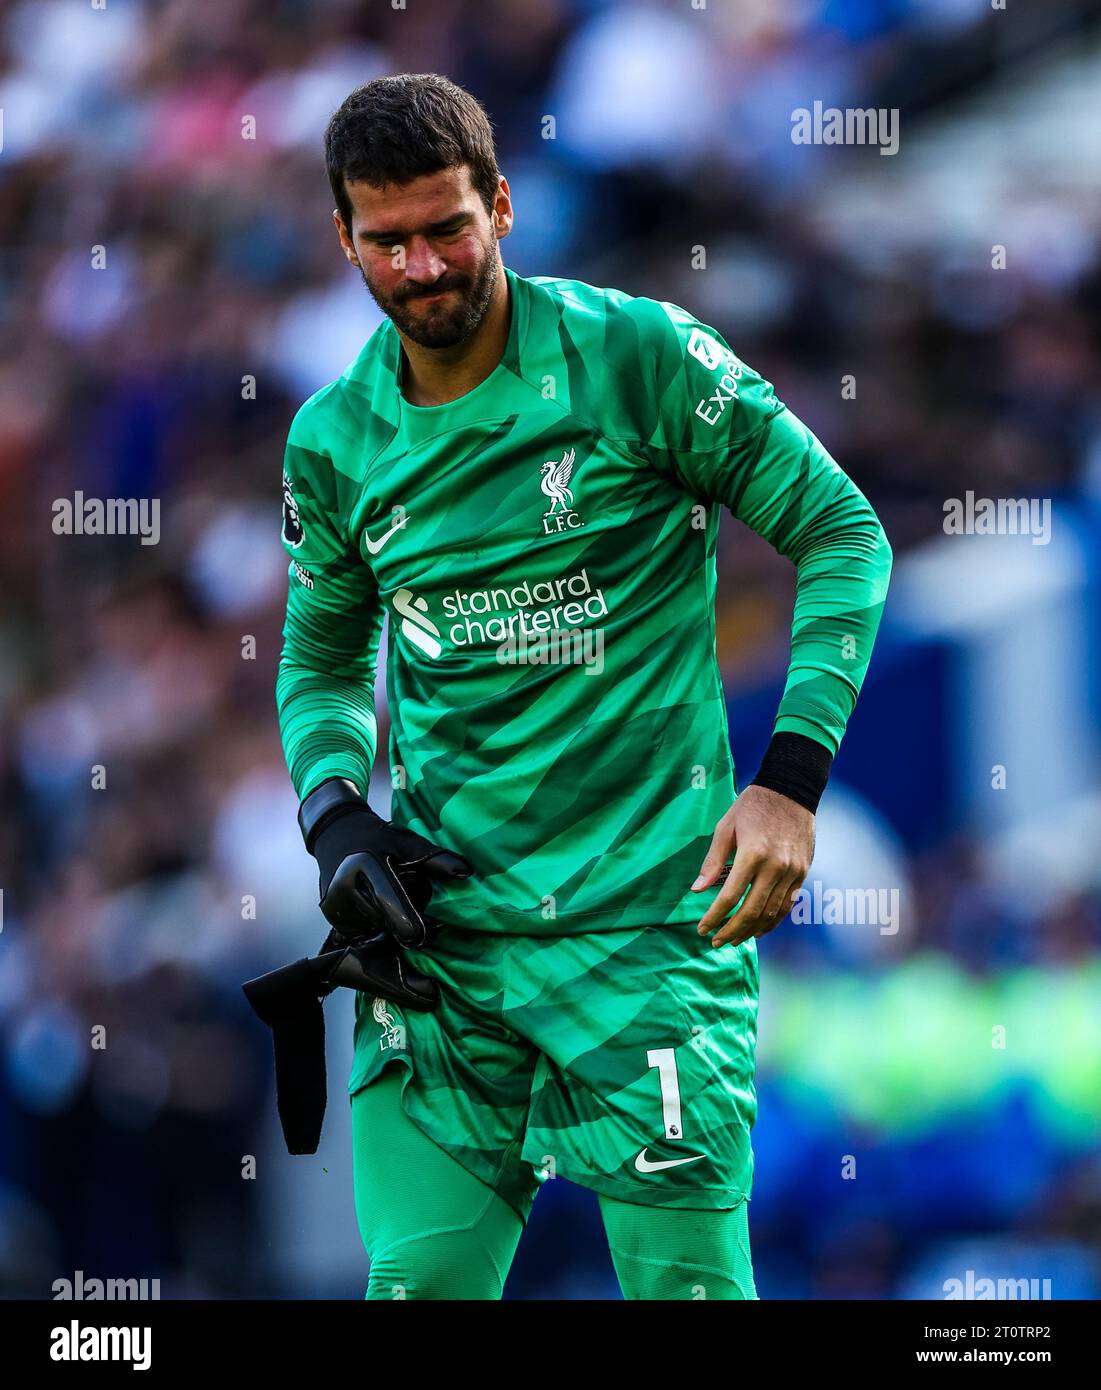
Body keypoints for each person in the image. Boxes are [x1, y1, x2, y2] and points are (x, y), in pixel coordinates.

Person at [275, 72, 892, 1300]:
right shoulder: (334, 439)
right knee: (415, 1289)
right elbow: (324, 657)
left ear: (502, 206)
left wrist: (789, 783)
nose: (423, 266)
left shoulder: (640, 358)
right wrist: (337, 811)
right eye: (387, 240)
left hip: (652, 927)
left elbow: (842, 532)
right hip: (444, 955)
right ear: (344, 239)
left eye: (448, 227)